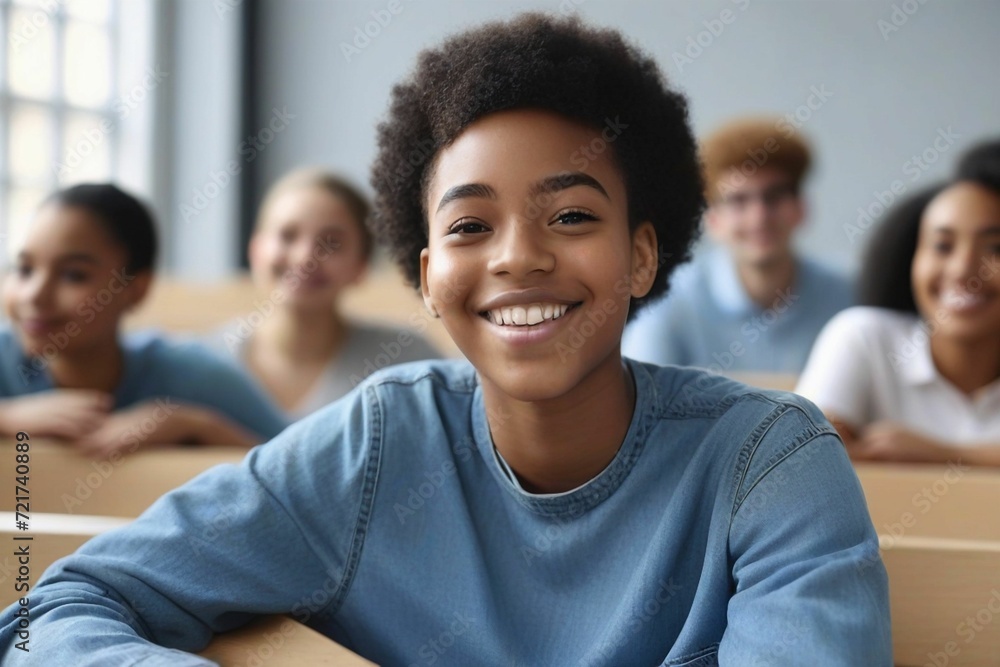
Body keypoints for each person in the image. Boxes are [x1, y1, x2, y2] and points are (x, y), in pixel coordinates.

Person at [0, 14, 890, 665]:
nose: (519, 257)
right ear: (427, 277)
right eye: (470, 227)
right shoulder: (374, 448)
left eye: (572, 214)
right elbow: (60, 610)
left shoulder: (771, 462)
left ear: (642, 255)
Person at [0, 184, 288, 456]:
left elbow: (303, 466)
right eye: (24, 269)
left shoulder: (191, 376)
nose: (35, 296)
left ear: (136, 289)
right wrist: (8, 418)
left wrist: (195, 425)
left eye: (74, 275)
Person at [203, 168, 439, 419]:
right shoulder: (205, 361)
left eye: (331, 243)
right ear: (256, 250)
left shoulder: (407, 361)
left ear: (361, 265)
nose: (305, 258)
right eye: (287, 236)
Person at [622, 117, 853, 373]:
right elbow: (642, 401)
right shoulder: (667, 304)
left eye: (774, 196)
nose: (759, 217)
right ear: (712, 219)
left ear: (800, 208)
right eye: (738, 201)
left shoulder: (850, 296)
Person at [797, 177, 1000, 465]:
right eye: (943, 246)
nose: (963, 269)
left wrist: (943, 456)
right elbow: (803, 455)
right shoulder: (863, 337)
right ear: (911, 258)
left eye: (996, 249)